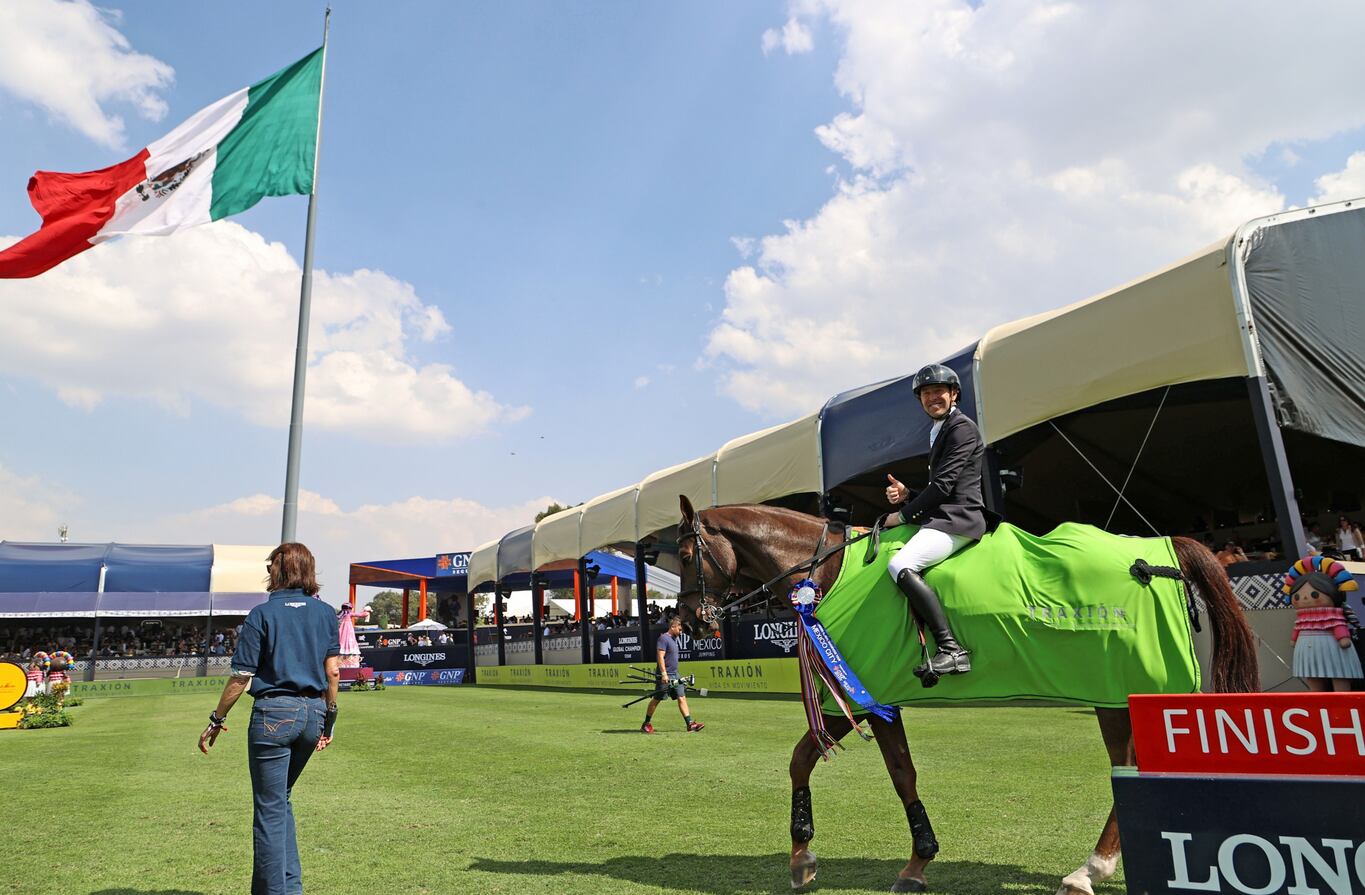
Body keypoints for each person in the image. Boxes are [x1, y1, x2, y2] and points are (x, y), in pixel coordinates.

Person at [198, 542, 341, 895]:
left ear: (276, 572)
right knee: (281, 801)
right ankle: (290, 889)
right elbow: (333, 672)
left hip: (274, 715)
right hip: (313, 713)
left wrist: (216, 718)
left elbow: (240, 677)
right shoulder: (325, 614)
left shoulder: (261, 615)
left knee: (269, 809)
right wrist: (330, 719)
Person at [882, 363, 989, 683]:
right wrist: (907, 494)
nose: (932, 398)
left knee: (900, 564)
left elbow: (944, 488)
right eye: (926, 394)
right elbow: (943, 487)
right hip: (945, 513)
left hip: (960, 518)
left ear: (954, 394)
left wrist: (902, 515)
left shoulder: (961, 428)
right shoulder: (941, 429)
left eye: (938, 392)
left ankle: (952, 649)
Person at [641, 616, 703, 733]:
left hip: (675, 674)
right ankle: (646, 723)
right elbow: (660, 657)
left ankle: (690, 724)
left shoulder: (674, 639)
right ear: (673, 627)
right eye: (679, 629)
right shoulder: (663, 639)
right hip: (665, 675)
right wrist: (664, 674)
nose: (681, 632)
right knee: (657, 699)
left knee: (682, 697)